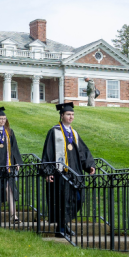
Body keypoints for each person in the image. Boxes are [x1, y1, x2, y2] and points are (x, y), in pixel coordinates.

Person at [41, 102, 95, 238]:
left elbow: (82, 152)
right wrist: (48, 172)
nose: (71, 117)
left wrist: (88, 166)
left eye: (72, 115)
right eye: (68, 114)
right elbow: (47, 153)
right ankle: (61, 229)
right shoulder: (54, 132)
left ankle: (64, 224)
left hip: (74, 173)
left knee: (77, 199)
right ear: (62, 115)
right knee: (62, 201)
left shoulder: (74, 133)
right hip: (60, 174)